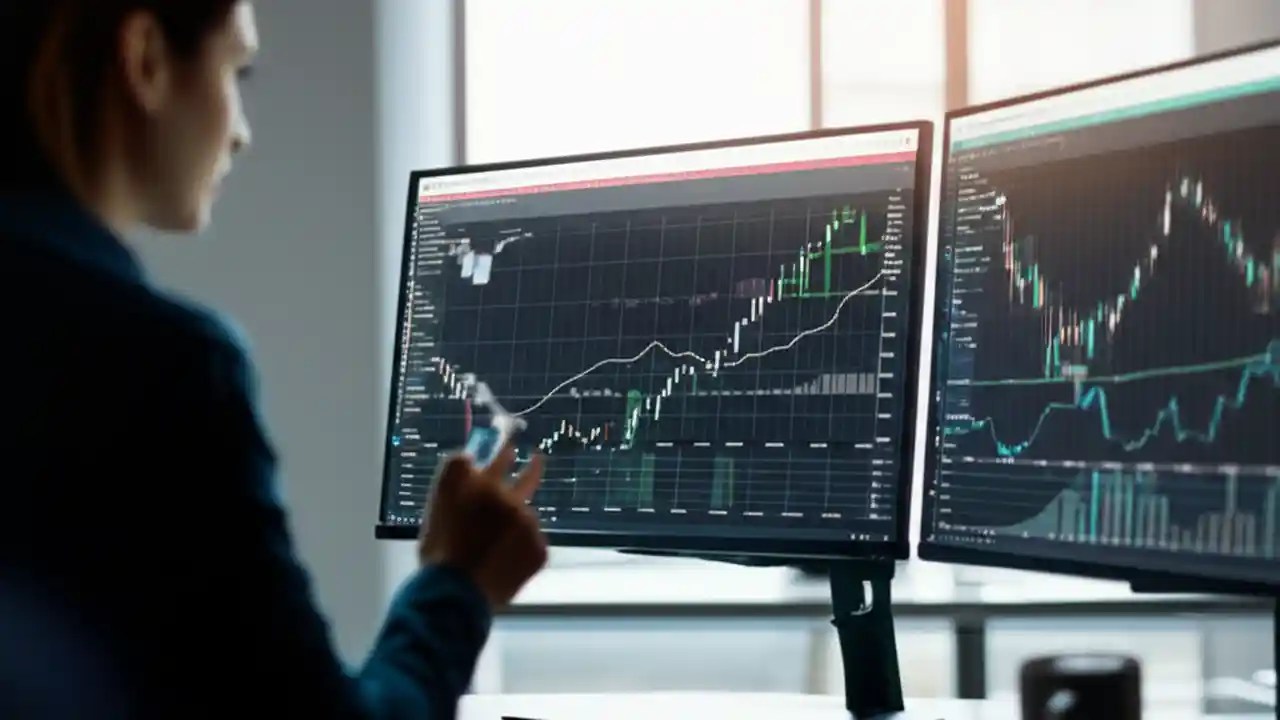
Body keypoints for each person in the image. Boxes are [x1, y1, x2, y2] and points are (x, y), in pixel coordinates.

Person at [0, 1, 548, 717]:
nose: (241, 133)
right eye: (238, 70)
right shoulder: (163, 371)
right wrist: (457, 582)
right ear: (145, 61)